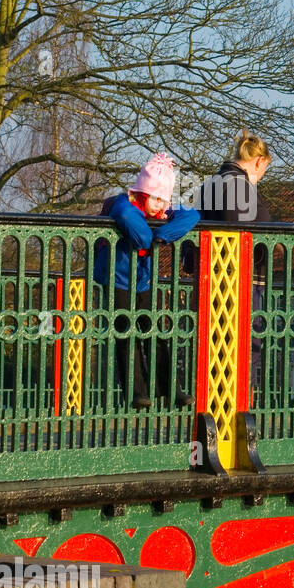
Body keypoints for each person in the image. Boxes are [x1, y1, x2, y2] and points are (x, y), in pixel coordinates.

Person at [93, 152, 200, 410]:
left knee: (154, 331)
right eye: (154, 197)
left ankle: (171, 389)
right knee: (125, 335)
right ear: (141, 192)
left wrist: (163, 234)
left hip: (142, 280)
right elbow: (132, 224)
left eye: (163, 199)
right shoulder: (123, 203)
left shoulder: (161, 210)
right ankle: (137, 392)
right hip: (116, 279)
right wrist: (152, 236)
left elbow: (192, 215)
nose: (158, 205)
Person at [194, 131, 272, 391]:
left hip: (216, 275)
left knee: (220, 342)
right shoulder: (238, 185)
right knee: (244, 344)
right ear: (259, 161)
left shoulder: (214, 182)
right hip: (239, 277)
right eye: (264, 170)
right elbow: (236, 230)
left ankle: (222, 402)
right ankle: (233, 407)